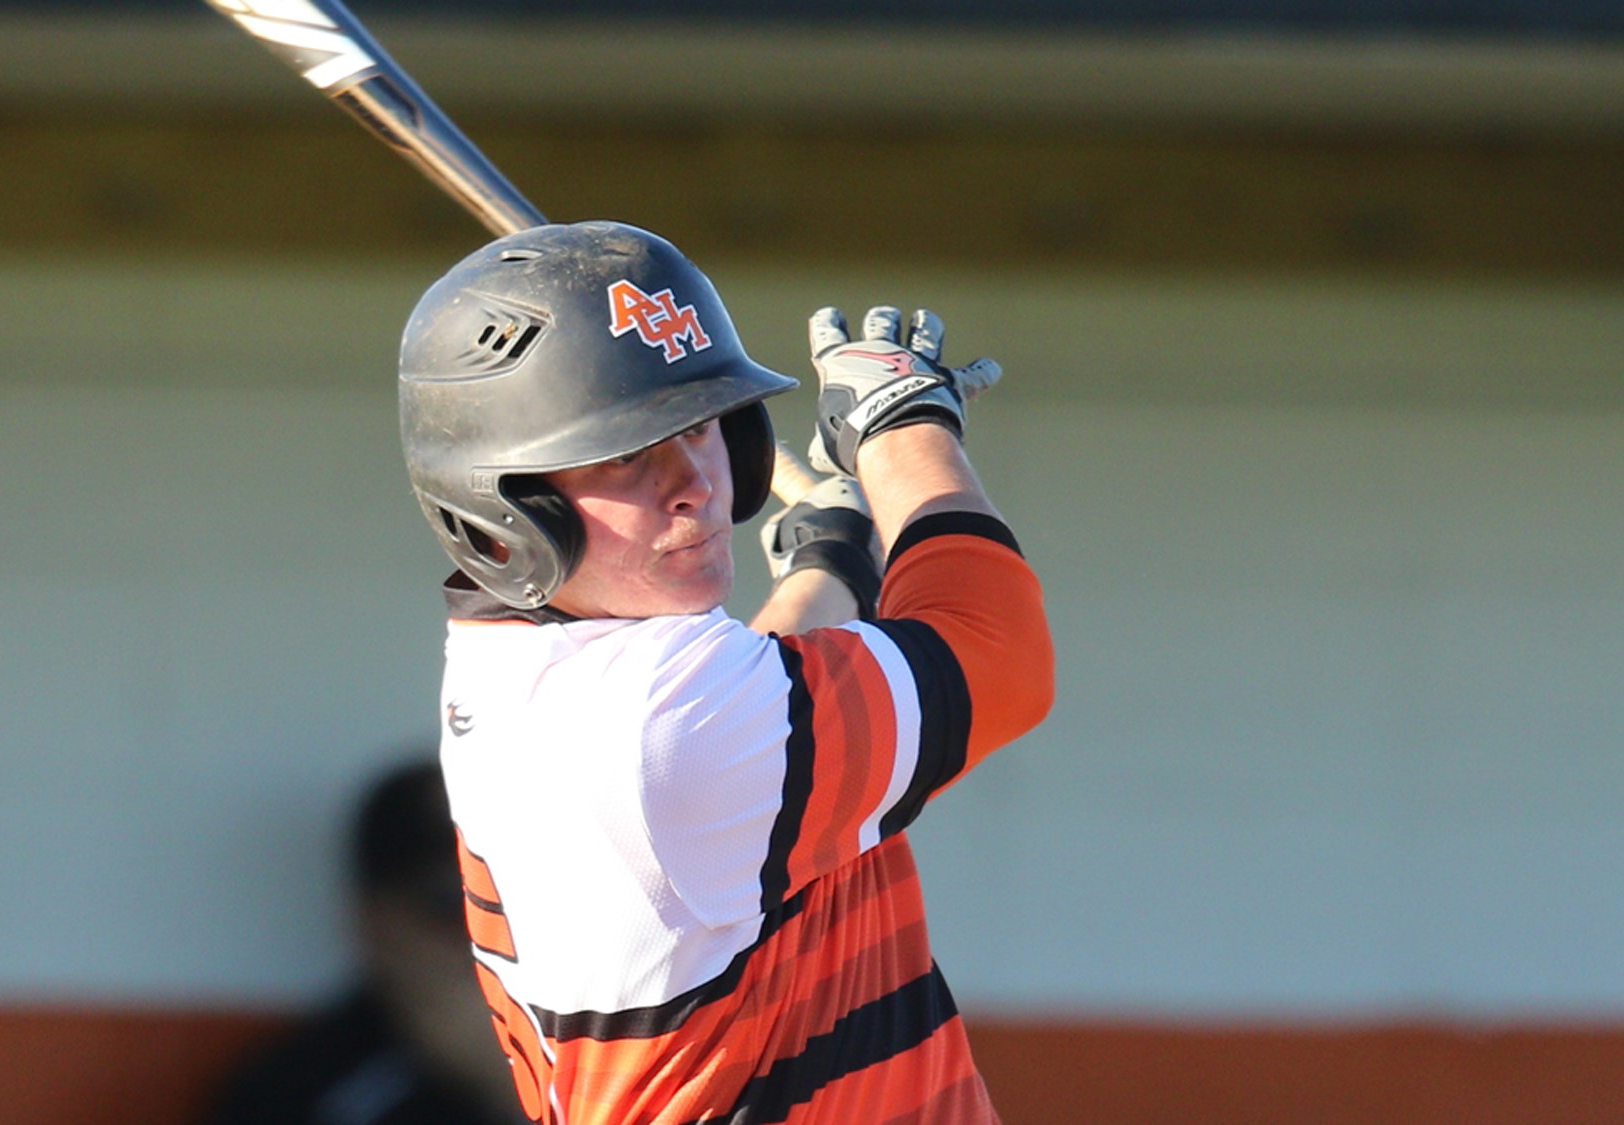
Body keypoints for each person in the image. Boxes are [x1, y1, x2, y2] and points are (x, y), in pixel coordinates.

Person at [398, 221, 1054, 1123]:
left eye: (700, 425)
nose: (696, 483)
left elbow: (750, 683)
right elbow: (1002, 656)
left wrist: (829, 556)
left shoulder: (528, 665)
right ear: (506, 506)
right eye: (628, 453)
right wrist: (906, 432)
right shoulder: (661, 730)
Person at [201, 759, 525, 1125]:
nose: (496, 937)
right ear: (374, 917)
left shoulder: (585, 1053)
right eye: (454, 906)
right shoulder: (301, 1087)